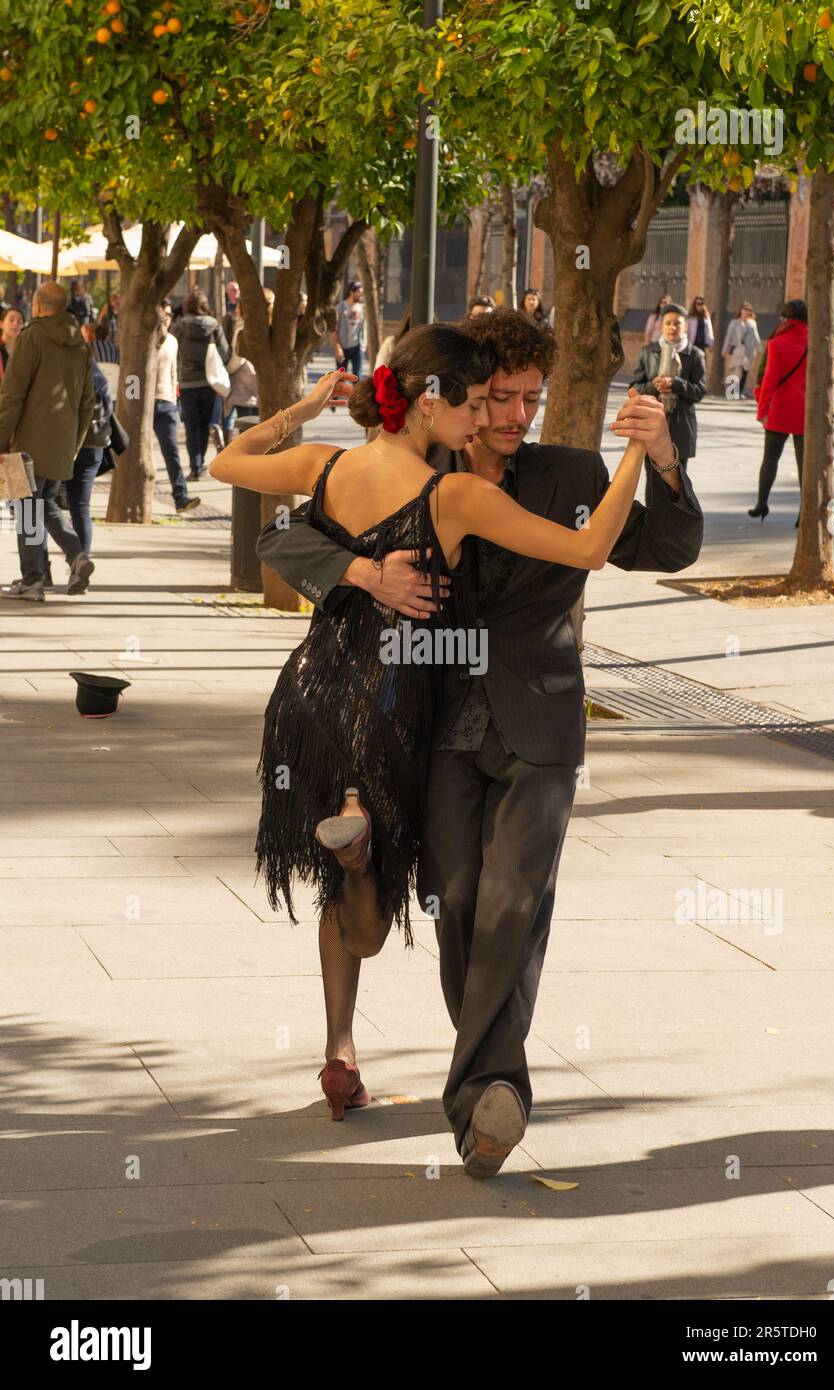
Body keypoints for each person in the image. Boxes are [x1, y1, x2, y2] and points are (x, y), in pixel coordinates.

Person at [249, 309, 703, 1174]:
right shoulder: (409, 474)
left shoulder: (571, 472)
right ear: (457, 396)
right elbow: (283, 533)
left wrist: (667, 460)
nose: (515, 416)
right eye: (499, 397)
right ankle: (484, 1088)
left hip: (541, 720)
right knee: (457, 907)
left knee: (512, 908)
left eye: (529, 398)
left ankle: (492, 1095)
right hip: (431, 728)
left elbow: (666, 547)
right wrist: (364, 573)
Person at [0, 281, 95, 601]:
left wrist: (1, 440)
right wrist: (74, 444)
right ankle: (77, 555)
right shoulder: (81, 345)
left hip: (24, 443)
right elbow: (87, 403)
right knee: (46, 505)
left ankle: (32, 580)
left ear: (37, 306)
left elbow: (12, 397)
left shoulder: (31, 338)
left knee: (25, 508)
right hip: (62, 442)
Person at [629, 301, 707, 502]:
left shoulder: (695, 354)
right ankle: (653, 523)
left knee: (677, 480)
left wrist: (676, 383)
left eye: (677, 324)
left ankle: (674, 525)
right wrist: (654, 386)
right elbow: (635, 387)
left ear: (685, 326)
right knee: (652, 478)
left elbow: (699, 391)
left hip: (681, 426)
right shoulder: (649, 352)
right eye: (668, 323)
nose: (673, 327)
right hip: (652, 426)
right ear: (661, 326)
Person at [749, 299, 808, 523]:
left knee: (770, 459)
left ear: (785, 318)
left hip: (781, 411)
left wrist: (762, 410)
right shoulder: (817, 342)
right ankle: (805, 514)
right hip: (806, 414)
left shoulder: (777, 342)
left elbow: (769, 380)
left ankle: (761, 504)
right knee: (805, 465)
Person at [171, 288, 231, 481]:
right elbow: (225, 352)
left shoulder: (179, 326)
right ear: (205, 305)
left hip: (187, 382)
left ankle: (195, 466)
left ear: (187, 305)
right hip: (209, 381)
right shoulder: (213, 325)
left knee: (191, 426)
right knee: (205, 424)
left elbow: (171, 348)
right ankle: (201, 463)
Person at [66, 347, 113, 589]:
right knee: (80, 508)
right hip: (94, 446)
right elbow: (109, 409)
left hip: (65, 447)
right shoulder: (98, 375)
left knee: (38, 506)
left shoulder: (66, 373)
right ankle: (79, 567)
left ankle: (37, 571)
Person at [153, 301, 200, 512]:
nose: (168, 318)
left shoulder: (172, 341)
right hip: (143, 404)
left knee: (171, 451)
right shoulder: (143, 339)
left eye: (171, 315)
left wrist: (173, 398)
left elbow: (173, 372)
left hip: (166, 402)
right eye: (165, 314)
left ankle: (180, 497)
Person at [722, 302, 762, 400]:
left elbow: (756, 337)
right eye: (744, 309)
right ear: (740, 310)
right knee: (736, 371)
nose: (746, 311)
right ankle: (732, 393)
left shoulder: (752, 323)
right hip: (737, 350)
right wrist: (724, 349)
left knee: (744, 372)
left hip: (748, 352)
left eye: (748, 310)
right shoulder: (734, 322)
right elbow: (728, 337)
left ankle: (739, 392)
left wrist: (759, 349)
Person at [333, 280, 365, 379]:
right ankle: (338, 395)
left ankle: (355, 395)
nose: (361, 295)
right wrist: (337, 347)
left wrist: (363, 346)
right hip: (343, 347)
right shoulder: (340, 307)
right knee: (340, 379)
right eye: (359, 292)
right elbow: (333, 329)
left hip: (357, 348)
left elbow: (363, 327)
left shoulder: (362, 308)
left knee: (357, 377)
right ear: (351, 292)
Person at [0, 305, 24, 378]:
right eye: (11, 320)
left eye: (19, 322)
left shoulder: (23, 351)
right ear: (1, 324)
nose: (15, 324)